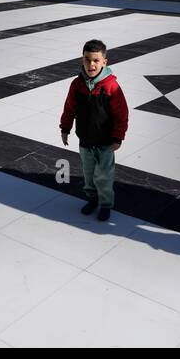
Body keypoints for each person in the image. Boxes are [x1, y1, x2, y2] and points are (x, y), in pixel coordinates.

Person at [59, 39, 129, 222]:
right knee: (89, 175)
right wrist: (65, 128)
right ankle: (92, 198)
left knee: (104, 176)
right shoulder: (76, 85)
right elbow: (69, 108)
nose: (91, 64)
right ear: (82, 60)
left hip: (105, 142)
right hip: (86, 141)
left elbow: (121, 114)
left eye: (96, 60)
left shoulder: (111, 87)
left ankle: (106, 204)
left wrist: (117, 137)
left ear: (104, 62)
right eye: (87, 59)